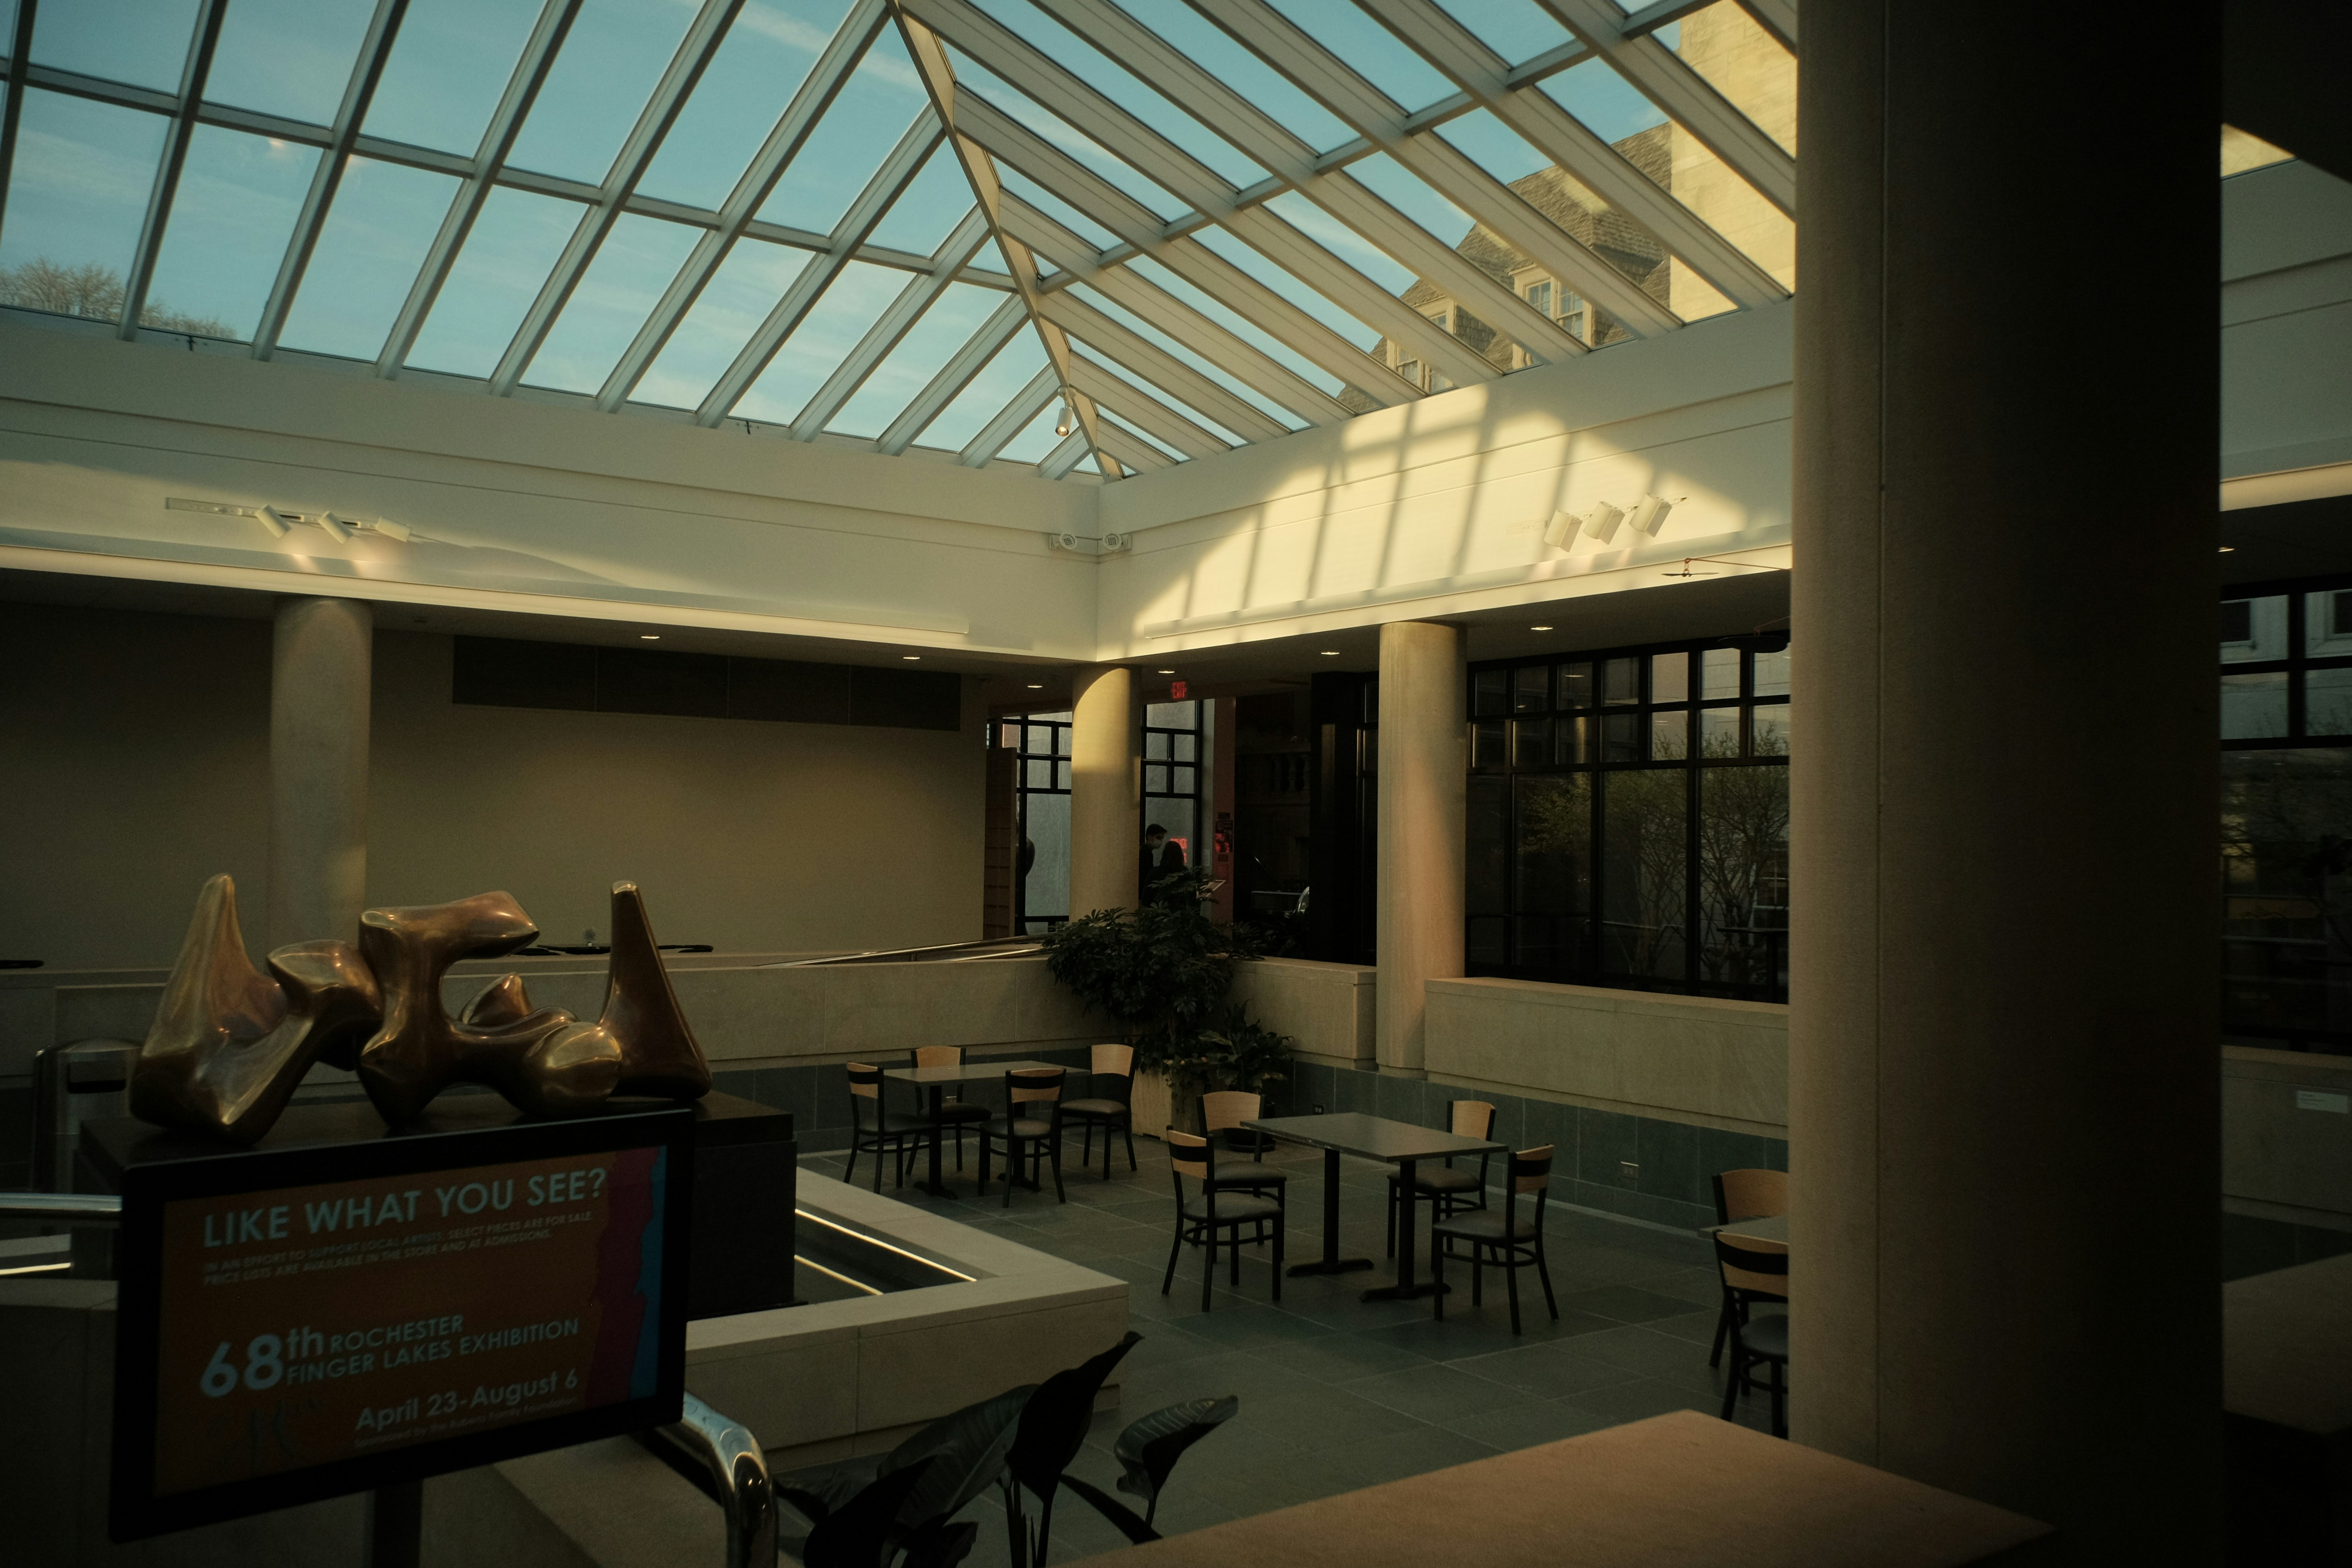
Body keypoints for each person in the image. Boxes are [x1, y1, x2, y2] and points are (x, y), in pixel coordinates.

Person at [1139, 823, 1186, 904]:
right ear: (1149, 836)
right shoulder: (1146, 853)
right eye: (1158, 837)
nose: (1160, 841)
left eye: (1162, 838)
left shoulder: (1155, 872)